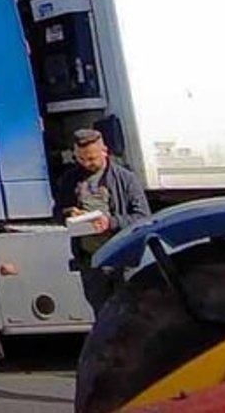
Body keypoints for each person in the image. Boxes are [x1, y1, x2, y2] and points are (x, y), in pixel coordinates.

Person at [60, 128, 151, 311]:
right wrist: (68, 214)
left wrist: (110, 222)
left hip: (122, 260)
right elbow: (58, 210)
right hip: (92, 262)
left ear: (105, 151)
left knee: (129, 314)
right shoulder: (69, 180)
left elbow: (143, 217)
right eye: (81, 159)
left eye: (92, 158)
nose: (87, 163)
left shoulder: (126, 178)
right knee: (103, 316)